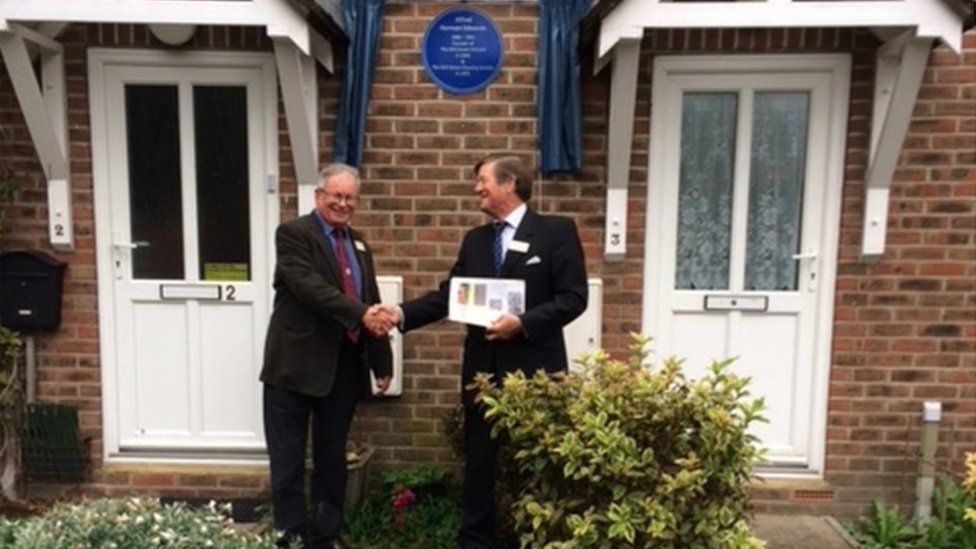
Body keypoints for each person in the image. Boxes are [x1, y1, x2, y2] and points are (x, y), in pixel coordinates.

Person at [390, 154, 588, 548]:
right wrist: (399, 312)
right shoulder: (476, 240)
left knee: (536, 462)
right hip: (482, 371)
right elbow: (452, 297)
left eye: (483, 180)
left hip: (536, 372)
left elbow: (574, 298)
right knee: (479, 462)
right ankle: (475, 541)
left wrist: (524, 323)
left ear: (510, 182)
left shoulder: (555, 232)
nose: (476, 188)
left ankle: (537, 539)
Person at [260, 163, 396, 549]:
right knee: (287, 459)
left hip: (343, 368)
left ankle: (327, 535)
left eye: (349, 197)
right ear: (318, 196)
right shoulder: (293, 235)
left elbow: (368, 298)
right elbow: (309, 287)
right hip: (294, 367)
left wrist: (381, 361)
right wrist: (361, 314)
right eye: (335, 195)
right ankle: (290, 535)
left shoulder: (360, 244)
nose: (342, 203)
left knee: (332, 459)